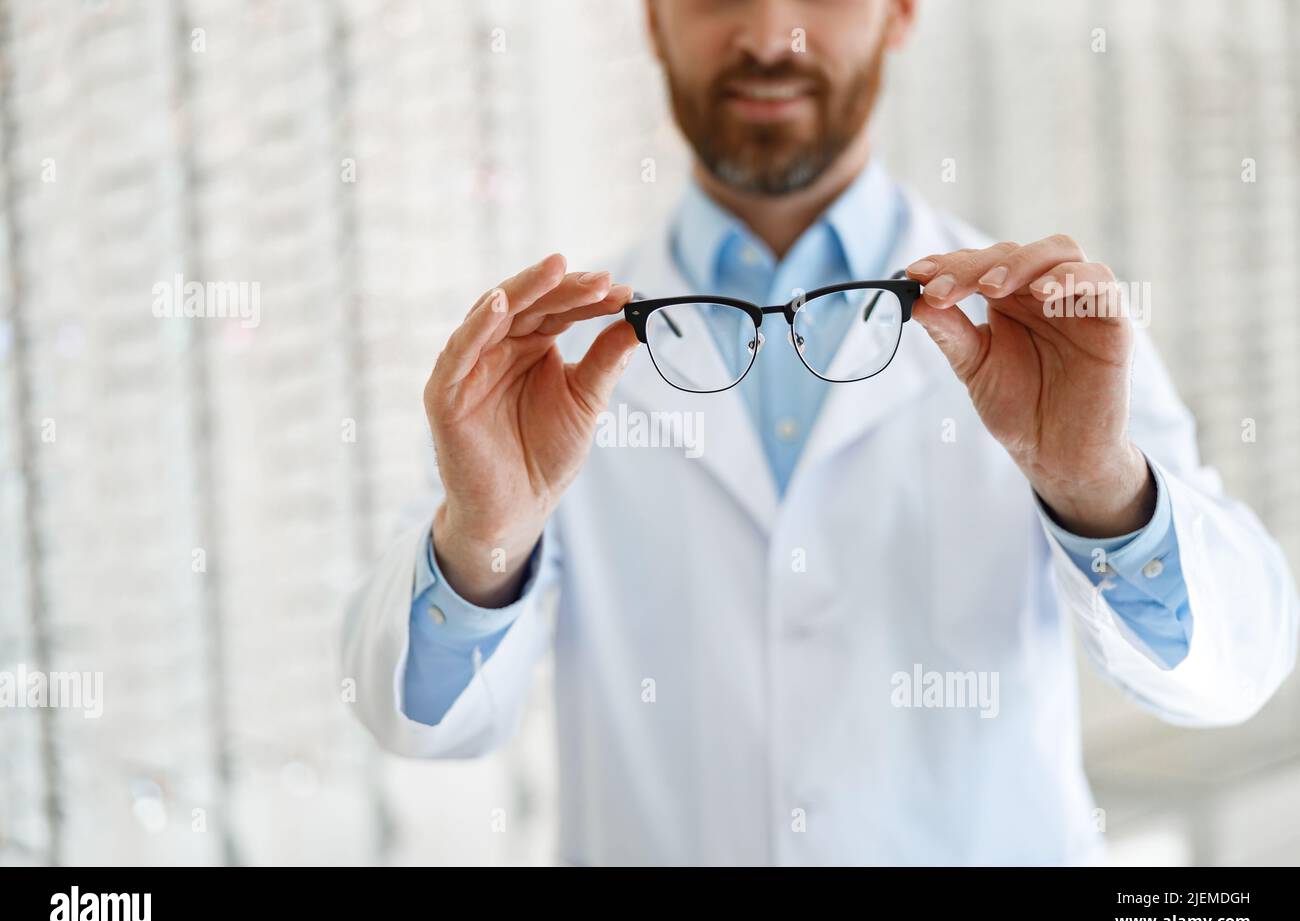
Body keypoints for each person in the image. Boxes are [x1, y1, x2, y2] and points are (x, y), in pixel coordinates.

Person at [341, 0, 1297, 864]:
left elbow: (1232, 670)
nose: (767, 37)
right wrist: (483, 536)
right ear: (651, 18)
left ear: (901, 13)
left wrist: (1098, 490)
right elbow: (414, 718)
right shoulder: (548, 359)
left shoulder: (1051, 325)